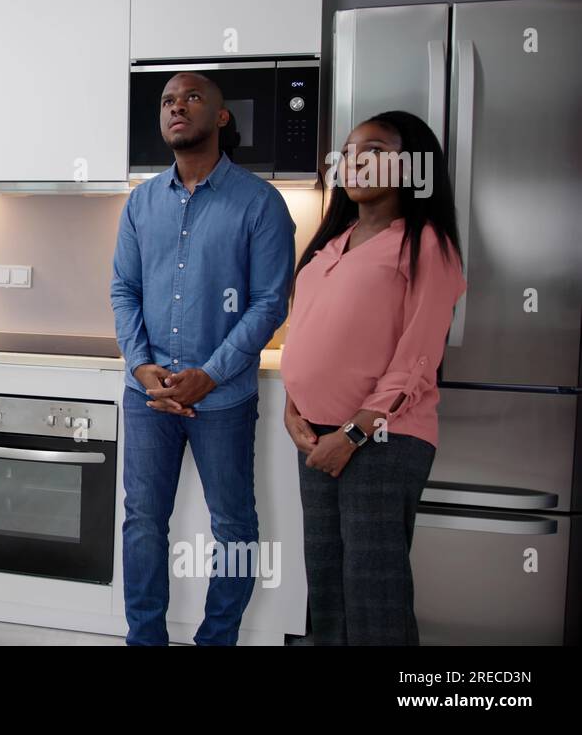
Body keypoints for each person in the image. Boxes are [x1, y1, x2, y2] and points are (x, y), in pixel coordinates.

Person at [111, 72, 294, 646]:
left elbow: (270, 301)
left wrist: (209, 374)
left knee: (234, 524)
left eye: (191, 98)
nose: (176, 108)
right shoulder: (142, 201)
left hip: (225, 398)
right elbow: (123, 288)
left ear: (221, 117)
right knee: (143, 523)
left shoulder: (260, 202)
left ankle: (217, 639)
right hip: (149, 395)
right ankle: (146, 639)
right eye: (167, 100)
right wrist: (142, 366)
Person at [281, 110, 465, 645]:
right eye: (350, 152)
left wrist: (356, 432)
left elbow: (417, 357)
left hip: (382, 440)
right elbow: (308, 332)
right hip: (316, 433)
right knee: (328, 584)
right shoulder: (329, 243)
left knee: (373, 588)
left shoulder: (426, 243)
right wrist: (294, 407)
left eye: (377, 151)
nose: (357, 161)